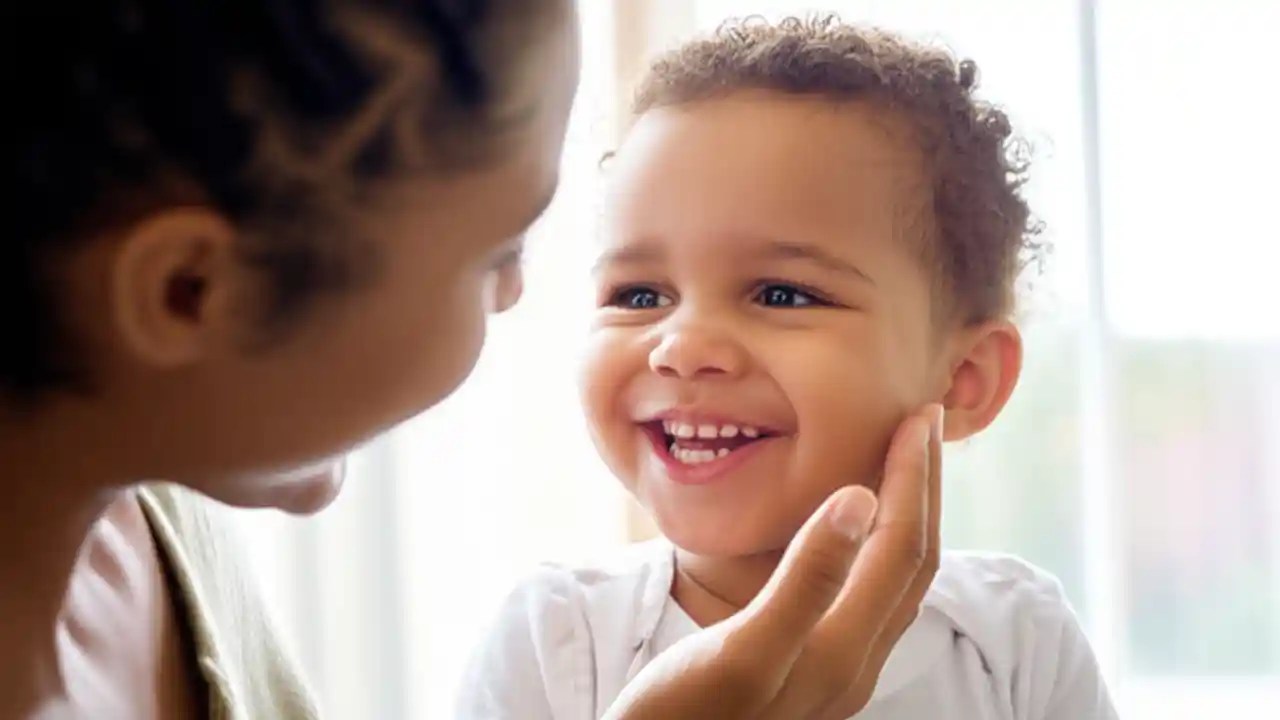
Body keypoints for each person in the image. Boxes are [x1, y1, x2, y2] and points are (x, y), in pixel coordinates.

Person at [2, 3, 939, 718]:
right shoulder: (548, 636)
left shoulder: (155, 506)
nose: (512, 293)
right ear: (189, 294)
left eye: (781, 293)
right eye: (496, 250)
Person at [457, 16, 1118, 720]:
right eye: (639, 295)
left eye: (782, 294)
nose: (679, 346)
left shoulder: (1016, 644)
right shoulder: (553, 641)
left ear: (963, 378)